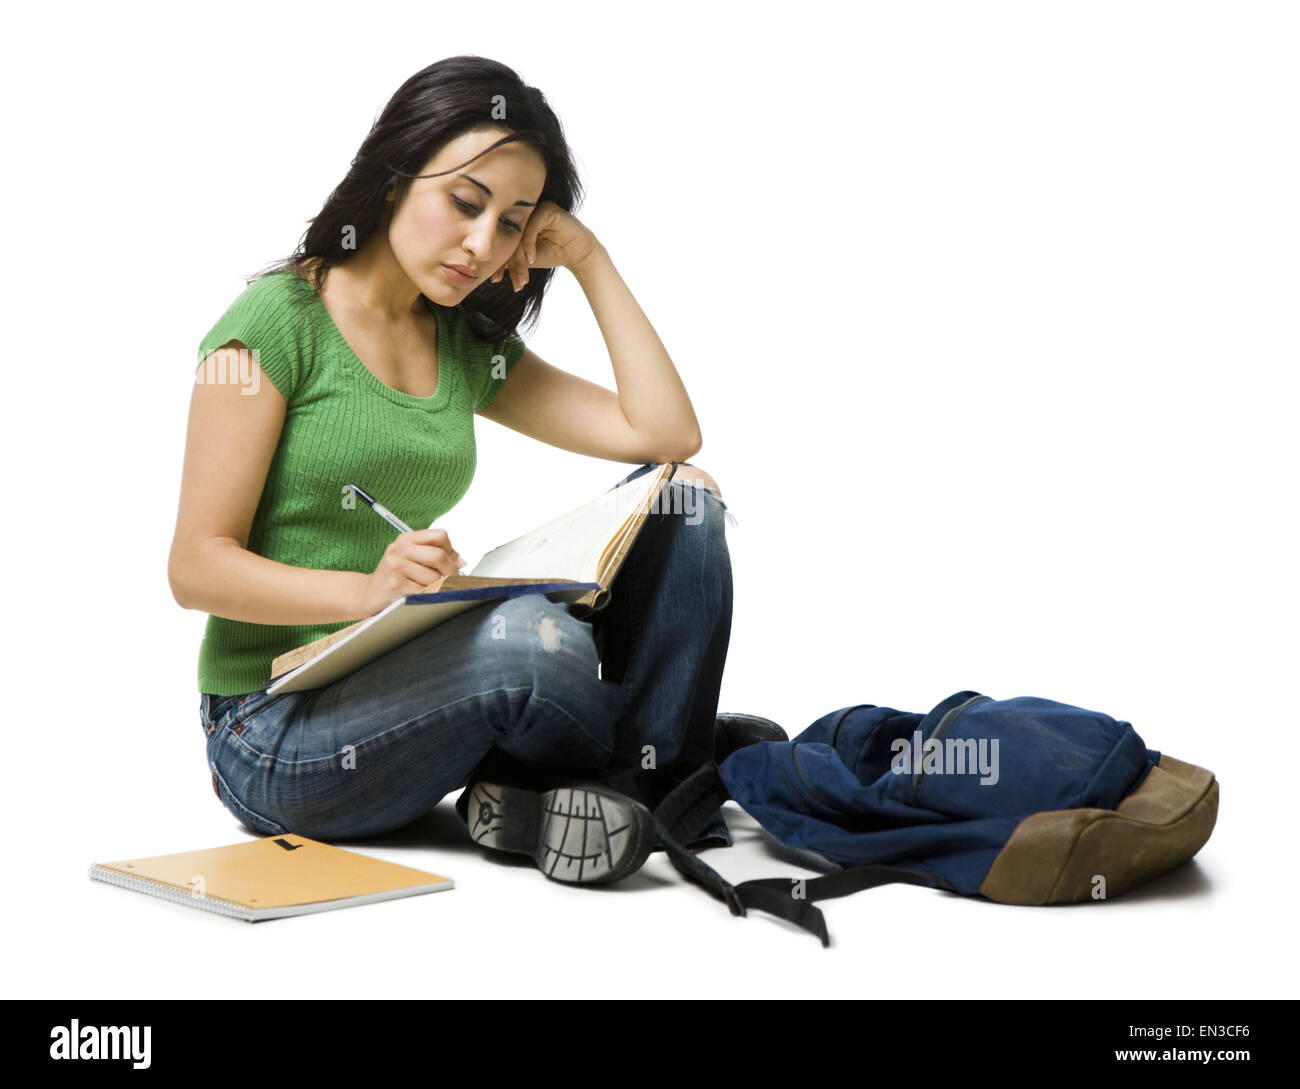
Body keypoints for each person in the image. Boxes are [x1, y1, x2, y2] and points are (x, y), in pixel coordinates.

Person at [170, 55, 781, 888]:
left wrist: (589, 257)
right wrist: (368, 595)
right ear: (394, 176)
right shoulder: (270, 327)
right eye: (465, 203)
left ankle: (621, 781)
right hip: (271, 729)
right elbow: (195, 566)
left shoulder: (463, 343)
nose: (481, 245)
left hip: (404, 679)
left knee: (679, 502)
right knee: (526, 649)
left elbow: (665, 430)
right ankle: (675, 759)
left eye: (511, 223)